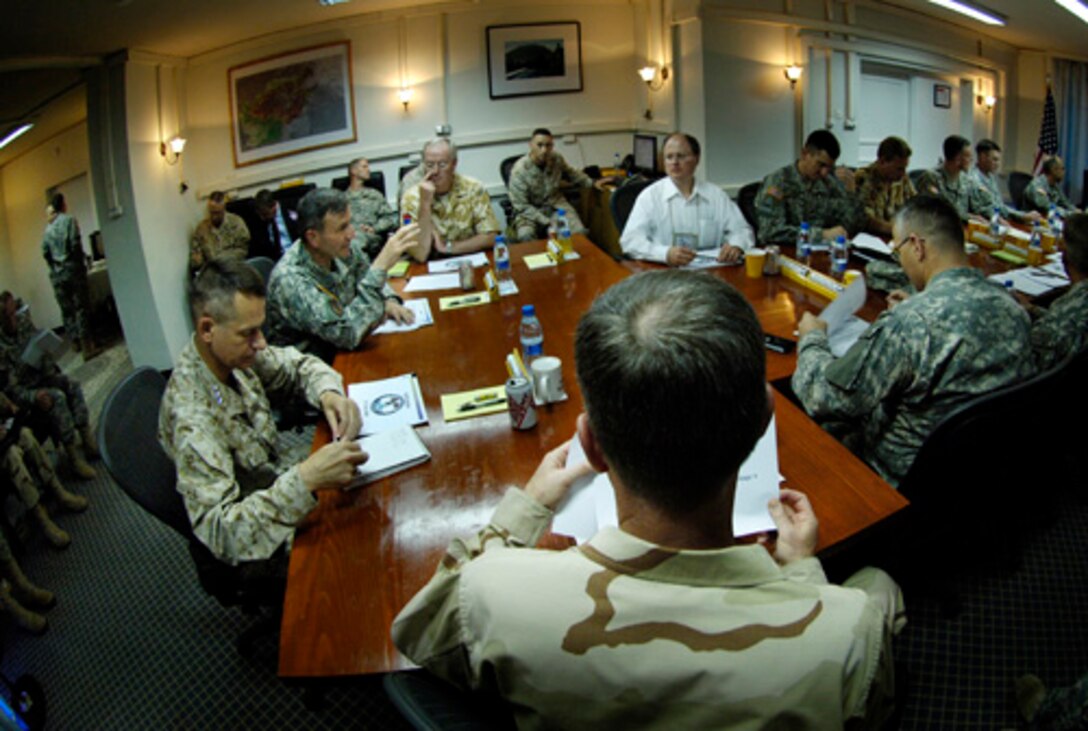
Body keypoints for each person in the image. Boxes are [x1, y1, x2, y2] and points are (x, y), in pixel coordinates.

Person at [393, 269, 905, 729]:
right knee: (879, 583)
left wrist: (526, 508)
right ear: (765, 419)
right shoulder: (849, 635)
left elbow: (419, 630)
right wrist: (800, 571)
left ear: (589, 445)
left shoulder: (494, 590)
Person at [792, 196, 1034, 486]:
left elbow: (822, 397)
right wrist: (917, 306)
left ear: (917, 246)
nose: (900, 261)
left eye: (898, 251)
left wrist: (812, 338)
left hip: (907, 477)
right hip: (987, 467)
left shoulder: (908, 323)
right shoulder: (1012, 306)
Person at [158, 260, 367, 575]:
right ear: (207, 329)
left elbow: (297, 366)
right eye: (248, 333)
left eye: (260, 329)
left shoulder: (232, 355)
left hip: (277, 483)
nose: (261, 343)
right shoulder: (192, 416)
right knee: (360, 547)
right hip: (258, 537)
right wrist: (306, 480)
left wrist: (329, 394)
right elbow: (222, 532)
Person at [265, 188, 419, 362]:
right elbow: (348, 333)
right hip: (314, 370)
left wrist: (388, 300)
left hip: (343, 353)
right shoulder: (290, 280)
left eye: (349, 223)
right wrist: (381, 265)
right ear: (313, 237)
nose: (351, 234)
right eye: (342, 228)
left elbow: (367, 277)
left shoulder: (341, 248)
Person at [0, 292, 97, 480]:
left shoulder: (23, 323)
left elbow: (38, 346)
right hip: (26, 393)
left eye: (14, 313)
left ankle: (86, 437)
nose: (14, 319)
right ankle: (73, 458)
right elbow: (12, 391)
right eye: (8, 316)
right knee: (57, 398)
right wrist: (33, 396)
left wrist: (46, 355)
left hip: (41, 376)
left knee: (71, 384)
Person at [620, 132, 754, 266]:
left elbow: (742, 230)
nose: (674, 162)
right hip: (664, 273)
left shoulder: (716, 195)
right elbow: (630, 241)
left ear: (697, 159)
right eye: (669, 157)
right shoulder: (650, 197)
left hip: (709, 273)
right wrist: (665, 254)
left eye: (681, 156)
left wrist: (736, 246)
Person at [1, 391, 87, 550]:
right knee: (13, 457)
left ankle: (59, 491)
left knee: (26, 435)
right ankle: (42, 518)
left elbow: (8, 406)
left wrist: (9, 407)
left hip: (5, 438)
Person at [755, 129, 867, 246]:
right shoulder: (777, 182)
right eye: (821, 164)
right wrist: (821, 234)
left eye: (829, 167)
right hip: (788, 255)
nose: (824, 172)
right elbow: (769, 232)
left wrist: (851, 194)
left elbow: (854, 225)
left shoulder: (828, 182)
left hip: (822, 254)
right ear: (804, 154)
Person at [400, 138, 501, 261]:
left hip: (468, 258)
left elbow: (490, 236)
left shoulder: (473, 188)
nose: (435, 171)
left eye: (442, 165)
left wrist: (449, 248)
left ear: (454, 164)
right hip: (429, 264)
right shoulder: (411, 197)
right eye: (429, 165)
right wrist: (425, 204)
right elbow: (419, 254)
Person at [507, 128, 604, 242]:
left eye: (548, 145)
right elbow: (521, 205)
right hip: (530, 212)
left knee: (579, 232)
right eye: (540, 145)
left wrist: (592, 182)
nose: (544, 150)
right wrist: (548, 223)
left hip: (556, 206)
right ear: (531, 145)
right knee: (526, 236)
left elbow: (572, 173)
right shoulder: (519, 170)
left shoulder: (556, 159)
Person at [1029, 212, 1088, 370]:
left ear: (1063, 253)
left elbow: (1029, 362)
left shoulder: (1062, 319)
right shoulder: (1069, 310)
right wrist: (1032, 309)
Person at [41, 193, 97, 356]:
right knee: (81, 308)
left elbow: (45, 252)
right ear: (63, 205)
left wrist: (54, 266)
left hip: (57, 276)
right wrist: (80, 264)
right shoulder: (70, 221)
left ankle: (75, 343)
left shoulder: (47, 229)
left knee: (66, 310)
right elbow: (75, 245)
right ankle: (88, 346)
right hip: (72, 271)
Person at [916, 135, 995, 223]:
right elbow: (941, 210)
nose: (971, 160)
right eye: (968, 156)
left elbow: (980, 204)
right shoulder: (931, 178)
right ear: (957, 158)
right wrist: (969, 217)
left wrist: (994, 217)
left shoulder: (965, 179)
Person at [854, 136, 916, 237]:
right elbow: (865, 220)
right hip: (873, 239)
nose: (903, 173)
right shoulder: (863, 178)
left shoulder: (902, 180)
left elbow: (915, 205)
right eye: (899, 169)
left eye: (905, 168)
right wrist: (895, 230)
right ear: (882, 161)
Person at [968, 139, 1041, 224]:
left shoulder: (990, 177)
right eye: (994, 159)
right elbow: (980, 210)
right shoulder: (972, 178)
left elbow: (999, 206)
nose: (998, 163)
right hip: (982, 224)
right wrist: (1021, 216)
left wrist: (1022, 215)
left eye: (998, 160)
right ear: (983, 157)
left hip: (996, 221)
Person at [344, 158, 398, 258]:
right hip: (347, 236)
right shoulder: (341, 199)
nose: (369, 170)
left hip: (369, 237)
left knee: (355, 242)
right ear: (353, 171)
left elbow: (390, 219)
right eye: (364, 166)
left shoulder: (374, 195)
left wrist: (374, 228)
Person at [189, 191, 251, 273]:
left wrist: (223, 259)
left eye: (217, 213)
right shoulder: (201, 229)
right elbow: (195, 254)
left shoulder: (236, 223)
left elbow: (243, 249)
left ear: (224, 209)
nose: (214, 217)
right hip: (213, 274)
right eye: (211, 212)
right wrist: (197, 260)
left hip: (235, 269)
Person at [247, 189, 299, 262]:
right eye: (260, 214)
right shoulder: (258, 222)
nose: (262, 218)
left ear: (274, 206)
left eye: (265, 214)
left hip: (297, 254)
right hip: (278, 260)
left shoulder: (291, 208)